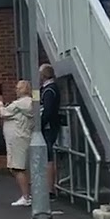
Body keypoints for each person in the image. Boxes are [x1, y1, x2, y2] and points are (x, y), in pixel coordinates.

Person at [0, 80, 35, 208]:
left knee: (17, 167)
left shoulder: (18, 104)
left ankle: (25, 196)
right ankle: (28, 194)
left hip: (17, 139)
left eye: (18, 88)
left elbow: (3, 113)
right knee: (21, 167)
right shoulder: (30, 103)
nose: (16, 90)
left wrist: (0, 102)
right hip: (23, 137)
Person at [38, 64, 62, 200]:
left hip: (48, 127)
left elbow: (47, 111)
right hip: (49, 126)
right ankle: (48, 187)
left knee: (48, 157)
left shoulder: (49, 91)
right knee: (47, 157)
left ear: (43, 75)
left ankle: (50, 189)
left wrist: (40, 125)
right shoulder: (47, 89)